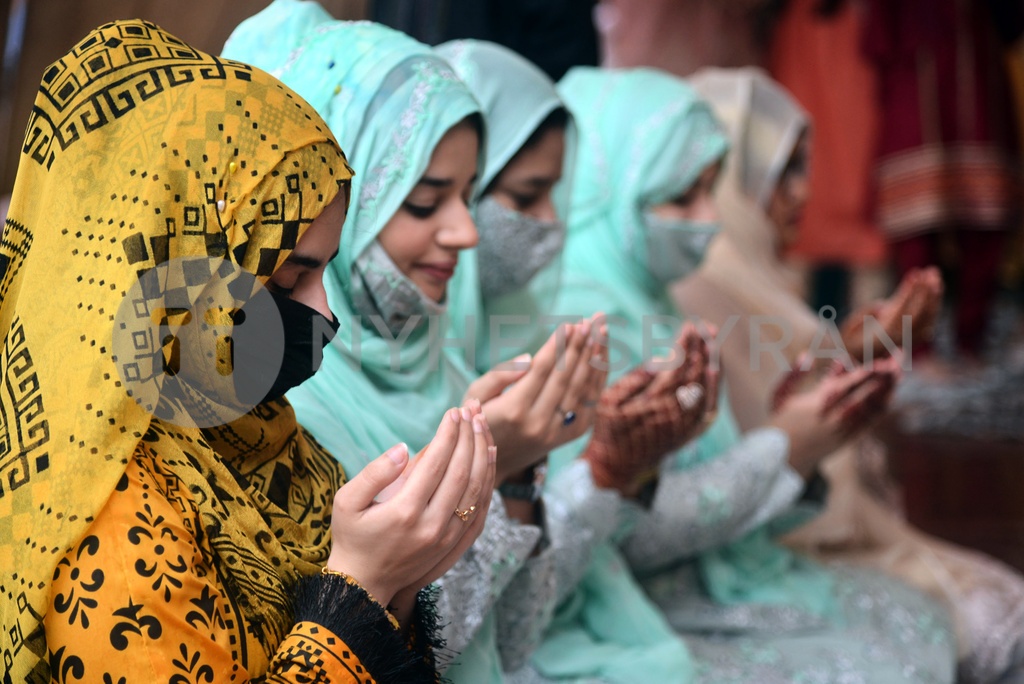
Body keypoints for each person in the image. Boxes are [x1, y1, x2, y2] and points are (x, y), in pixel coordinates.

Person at [0, 19, 498, 682]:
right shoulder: (108, 523)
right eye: (291, 278)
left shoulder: (262, 439)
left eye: (324, 274)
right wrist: (360, 592)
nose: (325, 314)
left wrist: (400, 577)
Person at [222, 2, 609, 680]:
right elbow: (394, 659)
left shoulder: (431, 357)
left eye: (468, 195)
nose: (467, 232)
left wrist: (516, 470)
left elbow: (514, 647)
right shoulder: (276, 399)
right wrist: (490, 466)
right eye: (426, 201)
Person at [536, 65, 958, 683]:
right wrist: (791, 445)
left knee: (921, 626)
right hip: (636, 601)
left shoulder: (650, 295)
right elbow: (621, 530)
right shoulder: (581, 319)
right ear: (609, 188)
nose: (709, 217)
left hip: (711, 575)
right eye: (682, 196)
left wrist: (813, 429)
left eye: (714, 189)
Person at [678, 66, 1024, 684]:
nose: (803, 194)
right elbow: (776, 476)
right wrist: (845, 365)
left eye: (804, 169)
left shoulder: (755, 286)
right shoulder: (698, 297)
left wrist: (853, 353)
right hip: (762, 561)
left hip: (794, 546)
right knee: (998, 623)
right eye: (782, 172)